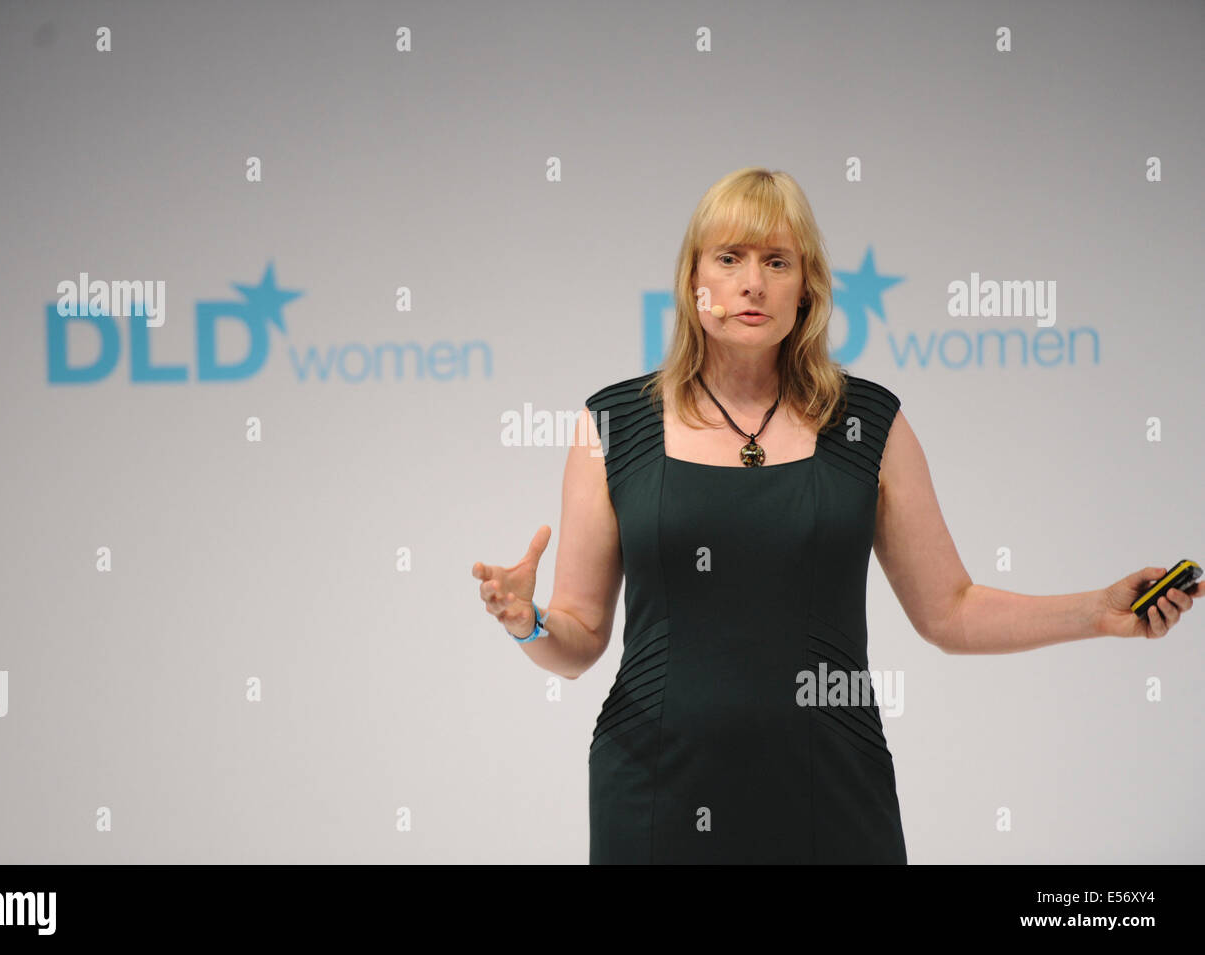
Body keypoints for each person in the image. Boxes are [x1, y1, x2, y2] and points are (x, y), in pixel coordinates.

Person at [470, 167, 1198, 864]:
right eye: (730, 257)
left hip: (830, 790)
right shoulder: (612, 425)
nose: (753, 281)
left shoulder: (869, 423)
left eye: (778, 261)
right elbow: (580, 636)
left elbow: (952, 611)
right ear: (695, 282)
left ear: (808, 287)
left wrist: (1098, 611)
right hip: (653, 789)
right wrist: (527, 621)